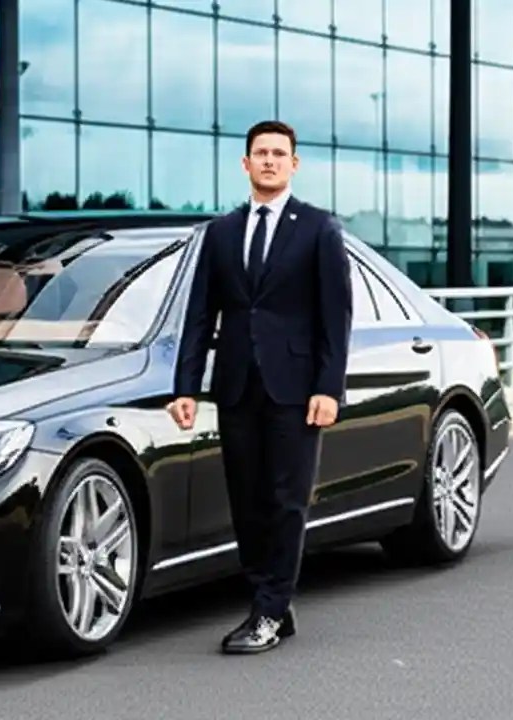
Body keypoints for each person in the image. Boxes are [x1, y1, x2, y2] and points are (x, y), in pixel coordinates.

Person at [168, 120, 352, 655]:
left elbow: (335, 316)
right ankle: (270, 598)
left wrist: (328, 388)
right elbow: (200, 314)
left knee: (286, 500)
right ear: (245, 164)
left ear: (294, 164)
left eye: (279, 153)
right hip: (236, 386)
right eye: (260, 153)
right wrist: (186, 386)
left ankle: (268, 610)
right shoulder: (220, 232)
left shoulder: (319, 229)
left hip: (296, 391)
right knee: (246, 502)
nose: (269, 161)